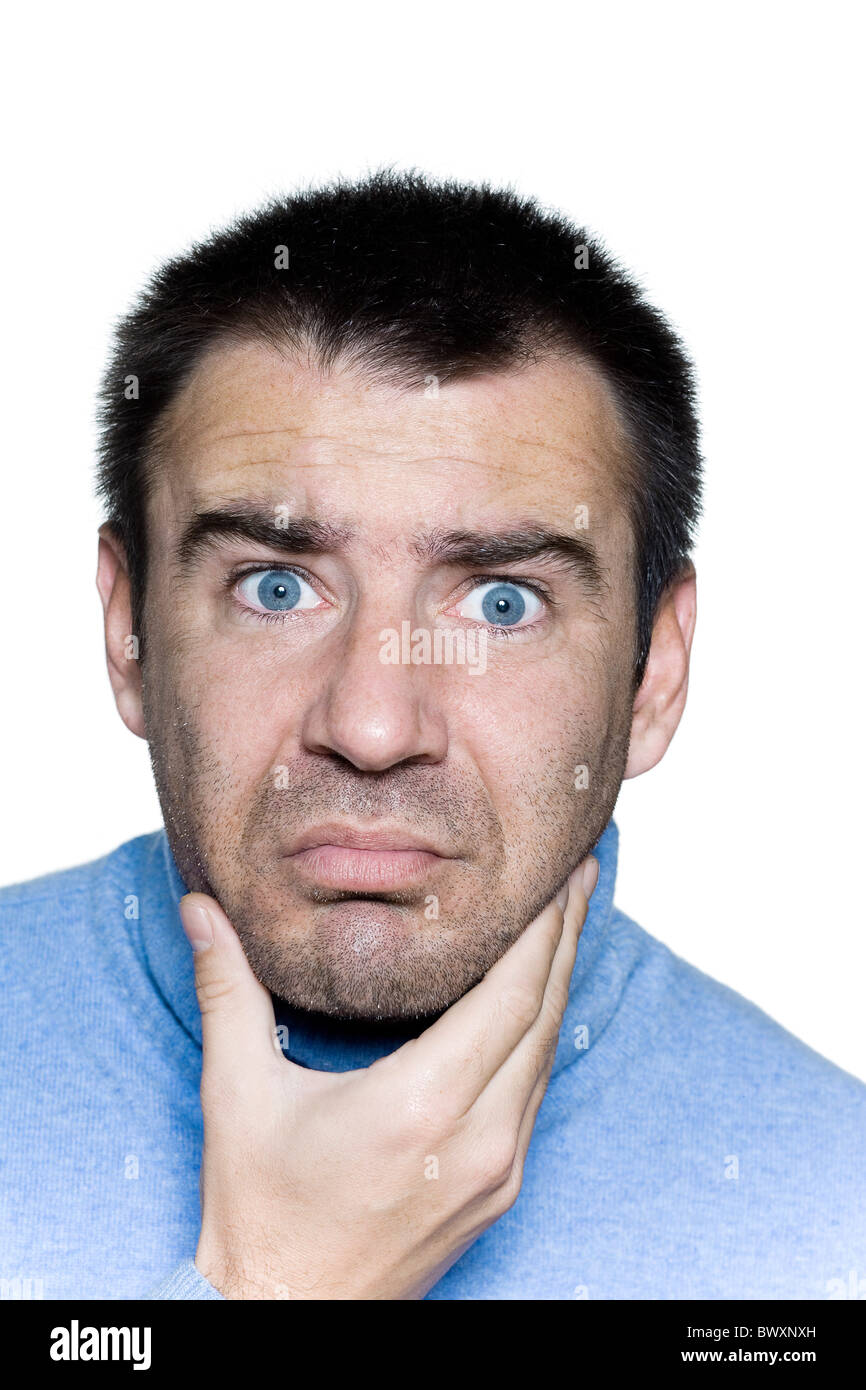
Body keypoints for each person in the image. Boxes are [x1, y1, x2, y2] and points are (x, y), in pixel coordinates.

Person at [1, 172, 862, 1300]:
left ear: (654, 671)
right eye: (274, 586)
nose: (369, 724)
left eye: (501, 601)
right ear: (127, 631)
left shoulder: (833, 1225)